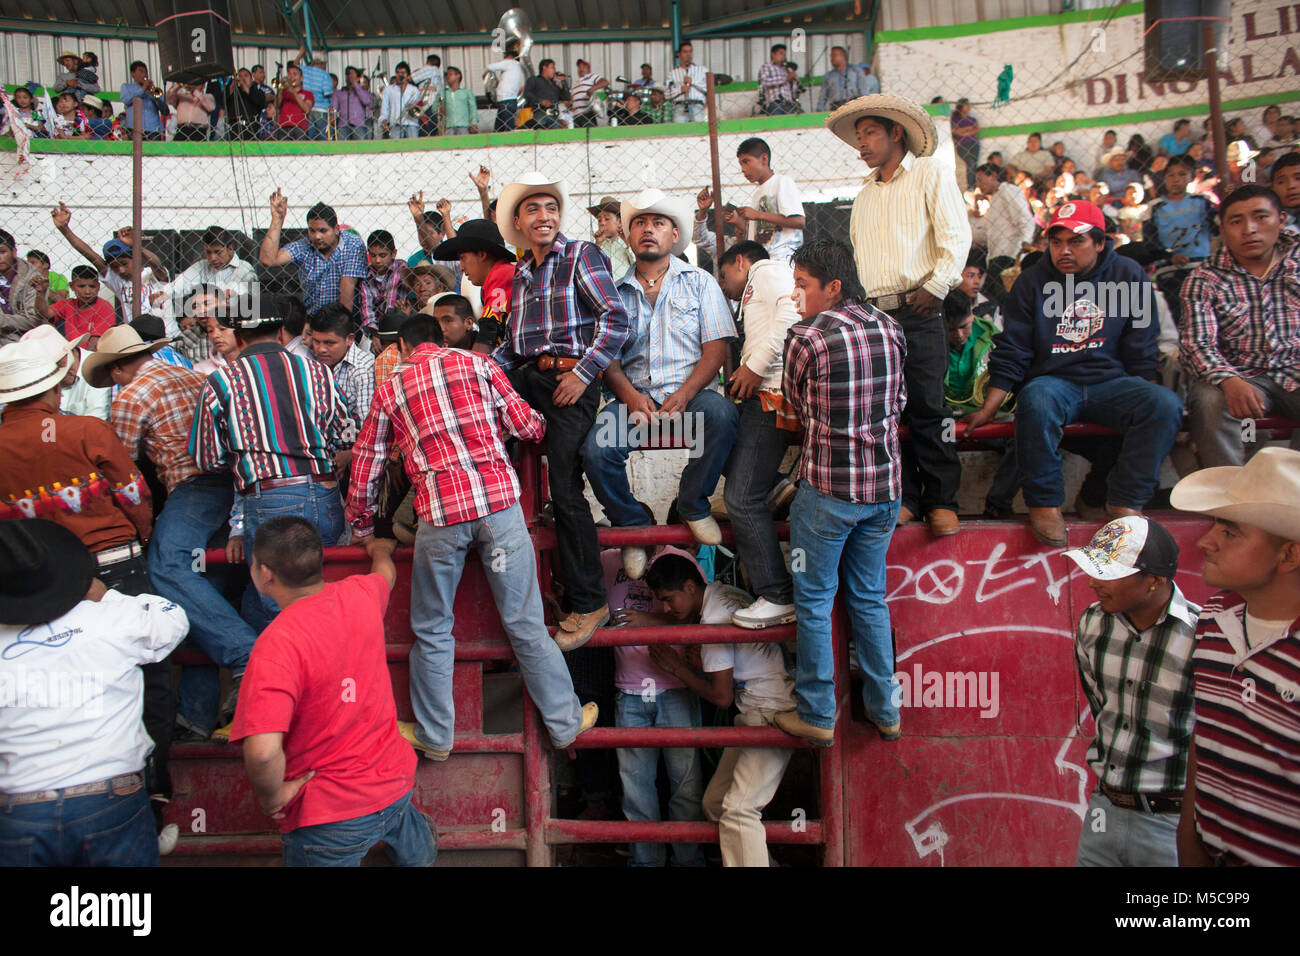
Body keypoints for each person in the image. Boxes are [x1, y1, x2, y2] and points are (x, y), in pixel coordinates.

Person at [346, 305, 598, 760]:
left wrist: (364, 528)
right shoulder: (480, 365)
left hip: (440, 517)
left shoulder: (390, 389)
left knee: (432, 627)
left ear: (402, 347)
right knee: (524, 622)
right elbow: (529, 426)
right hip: (499, 508)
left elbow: (367, 465)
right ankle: (565, 722)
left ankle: (436, 735)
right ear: (441, 342)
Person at [0, 337, 180, 850]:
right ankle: (148, 795)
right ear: (56, 382)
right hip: (110, 565)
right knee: (150, 675)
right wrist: (141, 536)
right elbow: (133, 494)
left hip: (29, 578)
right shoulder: (85, 429)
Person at [961, 200, 1182, 547]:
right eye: (1056, 242)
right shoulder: (1031, 282)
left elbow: (1143, 346)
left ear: (1099, 242)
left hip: (1112, 383)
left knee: (1164, 406)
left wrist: (1146, 391)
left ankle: (1125, 499)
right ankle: (1045, 504)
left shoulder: (1128, 275)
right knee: (1036, 398)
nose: (1064, 251)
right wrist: (990, 406)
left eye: (1075, 242)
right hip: (1055, 383)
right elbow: (1014, 349)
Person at [226, 517, 436, 866]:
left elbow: (263, 754)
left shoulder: (276, 644)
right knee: (416, 850)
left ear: (265, 574)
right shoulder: (361, 594)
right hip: (395, 787)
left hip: (329, 818)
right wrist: (380, 550)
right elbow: (386, 574)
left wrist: (274, 797)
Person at [83, 325, 256, 740]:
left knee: (166, 565)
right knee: (202, 586)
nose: (113, 384)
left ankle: (246, 654)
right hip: (234, 483)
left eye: (112, 376)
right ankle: (193, 713)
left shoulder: (131, 395)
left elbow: (118, 467)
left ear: (120, 368)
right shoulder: (193, 375)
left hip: (194, 485)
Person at [773, 239, 907, 747]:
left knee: (813, 601)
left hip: (828, 494)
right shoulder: (890, 326)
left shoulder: (806, 336)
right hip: (884, 492)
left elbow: (795, 404)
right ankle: (885, 711)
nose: (796, 294)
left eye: (803, 285)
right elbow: (899, 400)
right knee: (869, 599)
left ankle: (818, 714)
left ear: (833, 287)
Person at [490, 172, 631, 647]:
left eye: (551, 207)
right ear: (518, 221)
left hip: (568, 380)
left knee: (567, 490)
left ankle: (589, 601)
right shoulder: (522, 273)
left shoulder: (580, 255)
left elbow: (615, 319)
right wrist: (480, 380)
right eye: (533, 209)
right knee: (477, 430)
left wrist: (584, 374)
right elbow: (512, 345)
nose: (544, 216)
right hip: (529, 376)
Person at [0, 519, 188, 867]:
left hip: (18, 809)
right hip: (108, 801)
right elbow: (172, 619)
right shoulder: (109, 618)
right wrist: (108, 596)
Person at [826, 93, 970, 537]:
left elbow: (956, 235)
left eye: (870, 132)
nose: (862, 143)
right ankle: (905, 496)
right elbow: (858, 259)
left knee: (930, 405)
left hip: (921, 307)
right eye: (859, 136)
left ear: (896, 133)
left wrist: (937, 286)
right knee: (888, 411)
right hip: (877, 315)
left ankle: (942, 500)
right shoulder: (865, 193)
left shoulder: (930, 172)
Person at [583, 189, 738, 579]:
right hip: (635, 403)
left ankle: (692, 503)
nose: (647, 230)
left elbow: (716, 349)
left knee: (721, 416)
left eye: (658, 223)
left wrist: (686, 394)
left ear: (674, 235)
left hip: (691, 398)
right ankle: (633, 524)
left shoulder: (700, 282)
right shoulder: (613, 293)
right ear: (628, 235)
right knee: (597, 451)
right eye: (639, 223)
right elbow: (609, 359)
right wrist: (632, 398)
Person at [1171, 447, 1300, 866]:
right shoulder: (1212, 619)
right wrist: (1189, 843)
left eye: (1230, 532)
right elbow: (1205, 737)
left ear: (1289, 555)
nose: (1206, 541)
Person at [190, 296, 348, 634]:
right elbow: (347, 432)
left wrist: (245, 457)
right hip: (325, 495)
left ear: (238, 336)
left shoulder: (221, 381)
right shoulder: (318, 371)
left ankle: (291, 680)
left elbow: (206, 458)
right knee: (320, 594)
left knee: (281, 607)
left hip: (270, 499)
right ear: (280, 332)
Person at [1063, 516, 1199, 866]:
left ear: (1153, 580)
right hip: (1104, 808)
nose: (1093, 582)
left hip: (1169, 819)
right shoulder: (1092, 623)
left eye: (1108, 574)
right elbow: (1100, 706)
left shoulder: (1199, 639)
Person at [646, 553, 796, 867]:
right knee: (715, 804)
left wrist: (676, 668)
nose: (666, 609)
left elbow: (721, 697)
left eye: (669, 599)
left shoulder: (712, 622)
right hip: (761, 707)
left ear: (689, 587)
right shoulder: (725, 595)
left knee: (739, 811)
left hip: (767, 713)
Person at [1181, 185, 1300, 468]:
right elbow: (1197, 344)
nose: (1249, 229)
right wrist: (1229, 380)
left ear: (1281, 220)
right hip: (1237, 375)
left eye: (1260, 217)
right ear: (1223, 230)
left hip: (1294, 369)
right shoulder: (1205, 278)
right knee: (1209, 401)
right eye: (1236, 221)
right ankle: (1227, 494)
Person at [713, 240, 800, 628]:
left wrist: (755, 366)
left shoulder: (765, 272)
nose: (723, 283)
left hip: (771, 393)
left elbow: (791, 314)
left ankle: (776, 595)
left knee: (741, 499)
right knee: (717, 447)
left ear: (740, 261)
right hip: (762, 392)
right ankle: (779, 484)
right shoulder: (761, 281)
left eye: (724, 273)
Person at [607, 548, 708, 867]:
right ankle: (646, 861)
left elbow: (699, 610)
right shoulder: (609, 557)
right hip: (629, 689)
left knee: (686, 785)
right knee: (635, 787)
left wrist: (647, 621)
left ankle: (689, 860)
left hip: (676, 687)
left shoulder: (678, 558)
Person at [943, 289, 1018, 517]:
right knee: (930, 441)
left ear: (972, 316)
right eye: (951, 329)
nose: (958, 334)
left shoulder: (993, 337)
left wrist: (989, 409)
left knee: (1024, 439)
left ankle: (998, 503)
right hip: (949, 422)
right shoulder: (931, 341)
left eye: (964, 326)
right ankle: (942, 506)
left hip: (990, 417)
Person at [51, 206, 171, 327]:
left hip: (165, 337)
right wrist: (65, 230)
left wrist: (137, 246)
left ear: (136, 258)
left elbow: (158, 265)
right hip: (137, 337)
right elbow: (90, 254)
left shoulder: (152, 275)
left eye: (124, 263)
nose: (120, 270)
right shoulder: (118, 281)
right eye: (114, 267)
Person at [259, 194, 367, 314]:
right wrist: (277, 219)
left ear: (336, 229)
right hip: (313, 318)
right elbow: (268, 259)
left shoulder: (352, 244)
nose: (317, 236)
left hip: (344, 317)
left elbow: (347, 289)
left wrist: (340, 325)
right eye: (312, 230)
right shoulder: (303, 247)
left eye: (323, 231)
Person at [1142, 154, 1216, 327]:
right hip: (1170, 269)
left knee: (1206, 317)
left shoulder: (1203, 203)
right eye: (1171, 175)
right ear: (1165, 178)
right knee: (1179, 318)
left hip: (1200, 266)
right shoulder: (1155, 207)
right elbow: (1149, 243)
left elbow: (1216, 229)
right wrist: (1169, 256)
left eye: (1182, 174)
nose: (1176, 180)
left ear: (1190, 177)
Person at [433, 218, 516, 354]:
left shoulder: (501, 274)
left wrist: (474, 365)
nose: (461, 267)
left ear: (482, 254)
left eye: (463, 258)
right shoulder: (495, 278)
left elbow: (490, 330)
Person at [308, 303, 375, 466]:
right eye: (316, 341)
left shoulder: (362, 369)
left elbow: (369, 425)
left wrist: (349, 455)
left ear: (349, 339)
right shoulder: (311, 363)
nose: (321, 349)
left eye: (329, 343)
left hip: (355, 452)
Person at [975, 163, 1035, 304]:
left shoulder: (1007, 190)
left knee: (1001, 299)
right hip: (996, 256)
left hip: (1007, 255)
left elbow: (1024, 218)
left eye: (980, 179)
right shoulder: (994, 199)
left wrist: (1026, 241)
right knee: (992, 297)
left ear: (994, 176)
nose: (979, 184)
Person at [170, 225, 258, 317]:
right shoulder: (200, 266)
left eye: (217, 252)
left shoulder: (244, 269)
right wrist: (163, 293)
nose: (212, 258)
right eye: (208, 252)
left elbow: (252, 302)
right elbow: (179, 286)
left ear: (230, 248)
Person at [0, 228, 52, 344]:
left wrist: (2, 321)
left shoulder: (32, 278)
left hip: (27, 338)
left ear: (14, 252)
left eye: (2, 252)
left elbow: (34, 320)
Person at [358, 229, 410, 332]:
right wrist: (374, 333)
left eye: (382, 255)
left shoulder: (401, 268)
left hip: (401, 323)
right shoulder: (366, 277)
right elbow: (367, 308)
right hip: (377, 327)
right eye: (373, 255)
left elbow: (392, 299)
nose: (377, 260)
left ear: (393, 254)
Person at [588, 196, 634, 281]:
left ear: (620, 222)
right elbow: (591, 268)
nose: (602, 223)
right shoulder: (599, 245)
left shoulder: (626, 243)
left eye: (607, 219)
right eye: (599, 220)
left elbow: (636, 264)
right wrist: (597, 244)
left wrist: (628, 244)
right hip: (604, 289)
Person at [119, 61, 165, 140]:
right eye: (141, 71)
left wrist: (156, 97)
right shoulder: (126, 87)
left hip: (154, 130)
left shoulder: (154, 90)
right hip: (133, 129)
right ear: (132, 73)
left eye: (146, 72)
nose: (144, 74)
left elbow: (165, 110)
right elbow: (126, 100)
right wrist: (143, 88)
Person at [486, 42, 526, 132]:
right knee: (500, 126)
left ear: (509, 56)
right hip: (509, 100)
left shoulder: (510, 63)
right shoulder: (516, 67)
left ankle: (511, 143)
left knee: (507, 127)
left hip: (505, 100)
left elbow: (490, 67)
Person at [294, 49, 332, 141]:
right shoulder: (325, 75)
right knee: (324, 137)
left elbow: (294, 65)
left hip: (307, 108)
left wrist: (300, 53)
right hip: (321, 109)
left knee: (310, 137)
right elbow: (328, 93)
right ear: (322, 65)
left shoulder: (304, 70)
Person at [667, 41, 708, 123]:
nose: (688, 54)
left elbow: (708, 89)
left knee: (700, 131)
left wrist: (693, 83)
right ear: (679, 54)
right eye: (685, 52)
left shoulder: (702, 70)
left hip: (698, 106)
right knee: (680, 132)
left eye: (690, 51)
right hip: (680, 106)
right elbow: (667, 94)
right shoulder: (673, 73)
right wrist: (680, 90)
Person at [818, 46, 868, 112]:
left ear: (843, 55)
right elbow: (822, 96)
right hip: (835, 109)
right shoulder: (828, 76)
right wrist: (820, 110)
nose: (831, 59)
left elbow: (863, 91)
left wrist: (864, 108)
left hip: (854, 107)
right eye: (831, 56)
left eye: (834, 55)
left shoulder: (856, 71)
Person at [379, 61, 420, 140]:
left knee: (413, 149)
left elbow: (419, 107)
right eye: (398, 72)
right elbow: (384, 108)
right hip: (395, 124)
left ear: (408, 75)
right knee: (395, 150)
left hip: (411, 123)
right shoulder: (388, 90)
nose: (400, 75)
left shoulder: (414, 90)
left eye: (403, 73)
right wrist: (383, 120)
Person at [523, 59, 569, 130]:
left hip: (554, 115)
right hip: (540, 113)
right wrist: (541, 101)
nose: (554, 70)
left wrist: (563, 83)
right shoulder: (535, 80)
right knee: (539, 133)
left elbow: (566, 97)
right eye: (552, 67)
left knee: (555, 136)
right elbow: (527, 93)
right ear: (544, 67)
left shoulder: (555, 84)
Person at [332, 65, 374, 141]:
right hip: (343, 125)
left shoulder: (363, 92)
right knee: (342, 149)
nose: (349, 76)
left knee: (360, 149)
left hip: (358, 125)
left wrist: (355, 84)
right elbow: (333, 108)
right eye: (348, 74)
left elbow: (367, 101)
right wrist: (332, 119)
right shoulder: (339, 93)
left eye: (352, 74)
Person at [223, 68, 267, 141]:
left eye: (245, 76)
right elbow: (223, 100)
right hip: (234, 127)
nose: (242, 78)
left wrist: (245, 87)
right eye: (240, 76)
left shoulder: (257, 91)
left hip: (251, 127)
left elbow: (259, 101)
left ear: (251, 79)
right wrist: (232, 85)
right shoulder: (234, 92)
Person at [274, 64, 314, 140]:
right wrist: (281, 90)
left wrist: (293, 92)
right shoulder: (283, 92)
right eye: (289, 74)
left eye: (295, 74)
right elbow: (276, 105)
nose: (291, 77)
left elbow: (306, 109)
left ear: (301, 78)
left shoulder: (308, 94)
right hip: (283, 128)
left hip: (300, 129)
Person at [759, 44, 798, 116]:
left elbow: (793, 90)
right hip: (775, 102)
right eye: (781, 53)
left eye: (784, 54)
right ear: (773, 54)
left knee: (792, 124)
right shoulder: (767, 67)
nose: (783, 56)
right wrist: (785, 79)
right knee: (777, 124)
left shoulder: (786, 69)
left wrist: (793, 80)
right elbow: (765, 82)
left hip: (789, 103)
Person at [568, 59, 608, 128]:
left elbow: (605, 82)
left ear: (588, 69)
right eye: (579, 67)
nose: (581, 69)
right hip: (575, 116)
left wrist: (592, 89)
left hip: (587, 114)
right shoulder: (575, 83)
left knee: (589, 135)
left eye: (584, 67)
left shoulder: (592, 77)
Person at [437, 66, 477, 135]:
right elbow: (437, 105)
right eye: (447, 75)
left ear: (458, 76)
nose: (447, 77)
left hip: (463, 125)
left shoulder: (466, 92)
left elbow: (472, 108)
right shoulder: (443, 93)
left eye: (450, 74)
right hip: (448, 126)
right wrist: (439, 108)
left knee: (464, 144)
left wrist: (473, 123)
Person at [950, 99, 980, 190]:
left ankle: (974, 185)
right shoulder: (955, 119)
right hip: (962, 145)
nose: (968, 107)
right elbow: (954, 131)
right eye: (966, 105)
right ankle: (971, 186)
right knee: (970, 163)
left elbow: (976, 129)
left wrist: (963, 132)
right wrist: (968, 129)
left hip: (974, 143)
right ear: (961, 106)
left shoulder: (972, 119)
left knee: (974, 163)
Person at [1271, 151, 1300, 228]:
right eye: (1281, 182)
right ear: (1272, 188)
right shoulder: (1271, 225)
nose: (1291, 186)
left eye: (1298, 178)